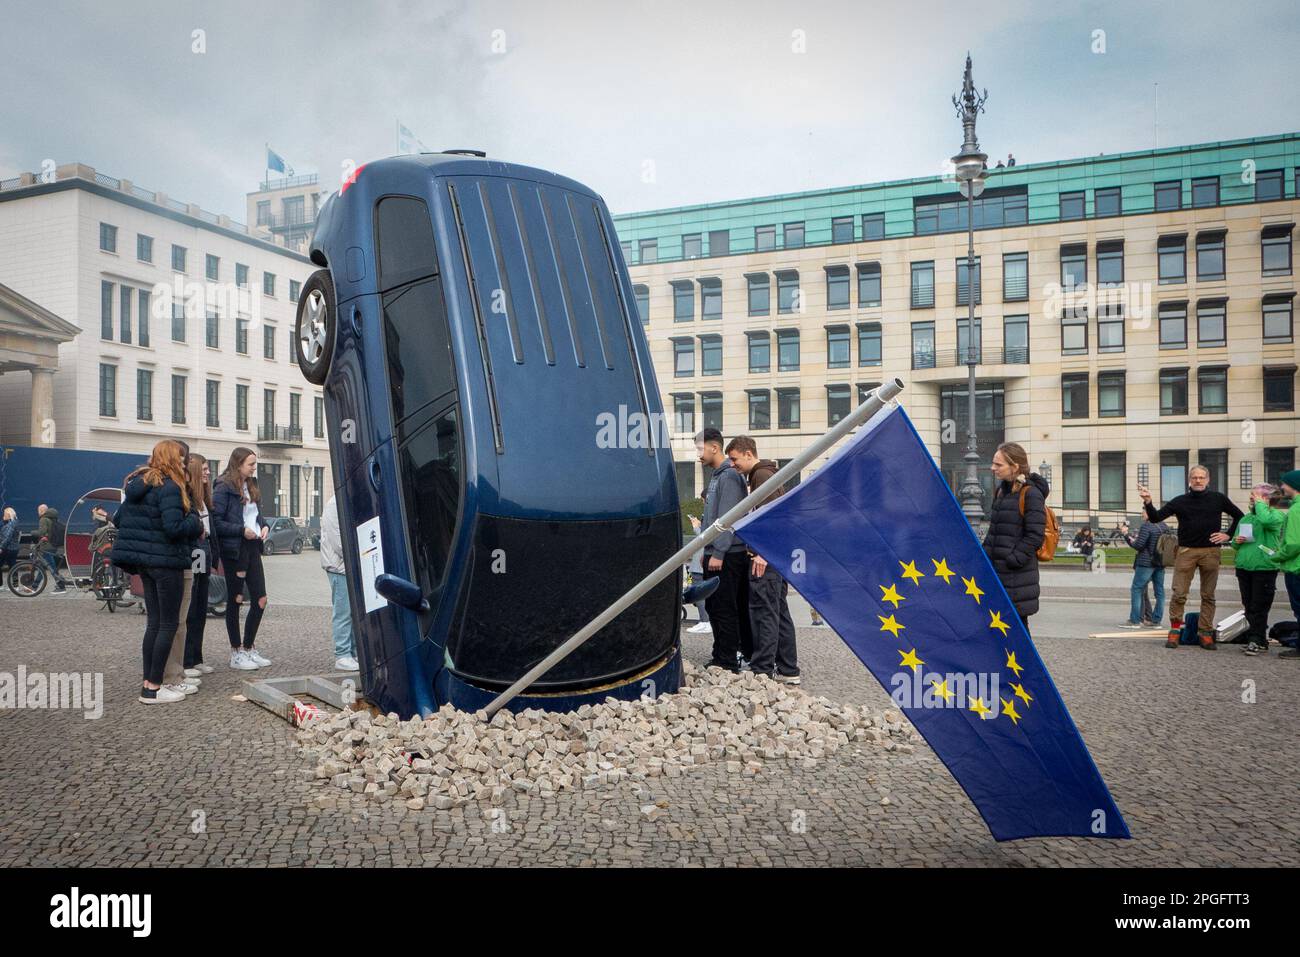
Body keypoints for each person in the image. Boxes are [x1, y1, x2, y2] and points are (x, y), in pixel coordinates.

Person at [108, 440, 203, 705]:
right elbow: (174, 527)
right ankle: (154, 687)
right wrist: (194, 521)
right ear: (172, 459)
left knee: (154, 624)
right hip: (167, 563)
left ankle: (148, 683)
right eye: (181, 460)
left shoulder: (140, 485)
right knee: (168, 624)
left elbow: (118, 519)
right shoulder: (170, 487)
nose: (184, 463)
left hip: (145, 564)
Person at [1139, 465, 1243, 650]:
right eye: (1194, 477)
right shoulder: (1180, 501)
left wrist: (1228, 535)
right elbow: (1155, 518)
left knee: (1208, 595)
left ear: (1208, 479)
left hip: (1211, 551)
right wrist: (1148, 501)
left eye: (1202, 477)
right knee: (1179, 593)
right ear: (1189, 480)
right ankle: (1175, 630)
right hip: (1186, 552)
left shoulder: (1218, 499)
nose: (1198, 480)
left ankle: (1205, 632)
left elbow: (1239, 516)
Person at [726, 436, 800, 684]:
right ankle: (788, 670)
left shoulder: (761, 477)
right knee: (779, 613)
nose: (733, 464)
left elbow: (772, 519)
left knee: (764, 612)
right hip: (775, 556)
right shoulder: (768, 474)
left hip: (765, 558)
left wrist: (761, 553)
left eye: (735, 459)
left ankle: (762, 671)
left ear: (748, 454)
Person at [695, 428, 752, 672]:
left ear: (713, 448)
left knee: (724, 607)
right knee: (715, 606)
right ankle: (722, 656)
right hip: (717, 552)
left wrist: (718, 552)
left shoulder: (728, 476)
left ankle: (727, 660)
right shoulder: (718, 476)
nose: (698, 454)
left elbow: (727, 518)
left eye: (700, 449)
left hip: (727, 555)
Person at [213, 447, 271, 671]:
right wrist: (240, 530)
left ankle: (249, 647)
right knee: (235, 599)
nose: (254, 468)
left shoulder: (252, 485)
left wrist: (264, 525)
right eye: (250, 464)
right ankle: (236, 651)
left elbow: (255, 515)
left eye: (255, 464)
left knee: (261, 599)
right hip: (235, 549)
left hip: (253, 546)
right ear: (238, 464)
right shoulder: (223, 487)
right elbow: (216, 521)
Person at [981, 442, 1048, 636]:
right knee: (998, 639)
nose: (993, 468)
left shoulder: (1031, 494)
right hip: (998, 576)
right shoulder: (1001, 492)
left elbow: (1035, 536)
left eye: (998, 465)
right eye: (993, 463)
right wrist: (983, 556)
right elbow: (994, 533)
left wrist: (1013, 559)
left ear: (1015, 466)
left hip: (1016, 579)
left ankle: (1028, 668)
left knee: (1019, 640)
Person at [1229, 484, 1285, 656]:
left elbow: (1266, 521)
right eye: (1252, 496)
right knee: (1248, 605)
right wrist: (1237, 541)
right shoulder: (1246, 519)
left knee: (1259, 605)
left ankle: (1256, 639)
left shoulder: (1276, 515)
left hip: (1264, 567)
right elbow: (1233, 544)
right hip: (1244, 567)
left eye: (1256, 496)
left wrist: (1262, 505)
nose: (1252, 499)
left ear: (1267, 498)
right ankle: (1257, 638)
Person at [183, 453, 220, 675]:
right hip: (195, 554)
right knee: (192, 608)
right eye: (204, 469)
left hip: (204, 554)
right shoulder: (188, 499)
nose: (208, 472)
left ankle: (197, 657)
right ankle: (187, 660)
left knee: (200, 608)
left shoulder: (204, 500)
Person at [320, 494, 358, 671]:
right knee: (343, 611)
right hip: (340, 567)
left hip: (345, 566)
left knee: (351, 612)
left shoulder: (343, 502)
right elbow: (339, 542)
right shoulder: (335, 505)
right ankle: (342, 654)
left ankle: (351, 652)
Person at [1119, 516, 1171, 628]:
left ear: (1149, 513)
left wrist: (1126, 535)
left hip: (1146, 563)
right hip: (1160, 562)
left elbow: (1138, 545)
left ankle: (1135, 621)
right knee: (1160, 592)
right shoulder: (1163, 525)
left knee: (1137, 589)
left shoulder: (1147, 526)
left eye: (1143, 512)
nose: (1142, 515)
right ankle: (1156, 621)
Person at [1272, 471, 1300, 661]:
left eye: (1285, 484)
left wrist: (1277, 556)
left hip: (1296, 568)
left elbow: (1293, 543)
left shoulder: (1296, 510)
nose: (1282, 487)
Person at [686, 514, 711, 635]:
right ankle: (704, 620)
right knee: (702, 594)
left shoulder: (710, 512)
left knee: (700, 595)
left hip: (699, 565)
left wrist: (696, 528)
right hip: (700, 564)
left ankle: (705, 621)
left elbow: (704, 537)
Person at [35, 502, 67, 593]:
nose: (38, 512)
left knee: (50, 567)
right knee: (48, 566)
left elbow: (42, 532)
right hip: (53, 545)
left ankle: (61, 586)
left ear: (41, 511)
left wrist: (33, 532)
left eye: (38, 511)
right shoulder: (52, 518)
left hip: (46, 546)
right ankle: (34, 586)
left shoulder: (43, 519)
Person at [0, 507, 19, 573]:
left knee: (11, 566)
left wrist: (1, 547)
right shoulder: (13, 523)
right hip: (14, 548)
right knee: (13, 566)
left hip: (8, 548)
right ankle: (15, 583)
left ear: (8, 515)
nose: (3, 515)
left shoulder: (11, 524)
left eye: (4, 514)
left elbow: (7, 537)